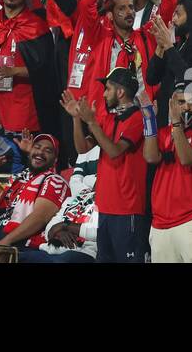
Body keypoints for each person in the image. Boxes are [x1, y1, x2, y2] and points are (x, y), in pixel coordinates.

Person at [62, 67, 147, 263]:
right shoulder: (109, 119)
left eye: (107, 89)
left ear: (120, 92)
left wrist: (92, 123)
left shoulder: (137, 118)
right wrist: (76, 119)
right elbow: (82, 149)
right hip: (106, 207)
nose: (104, 94)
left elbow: (115, 151)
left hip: (128, 209)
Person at [140, 88, 192, 263]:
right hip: (161, 226)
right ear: (171, 105)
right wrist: (150, 121)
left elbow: (187, 159)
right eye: (179, 102)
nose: (184, 107)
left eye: (188, 101)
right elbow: (150, 157)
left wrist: (176, 125)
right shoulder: (162, 133)